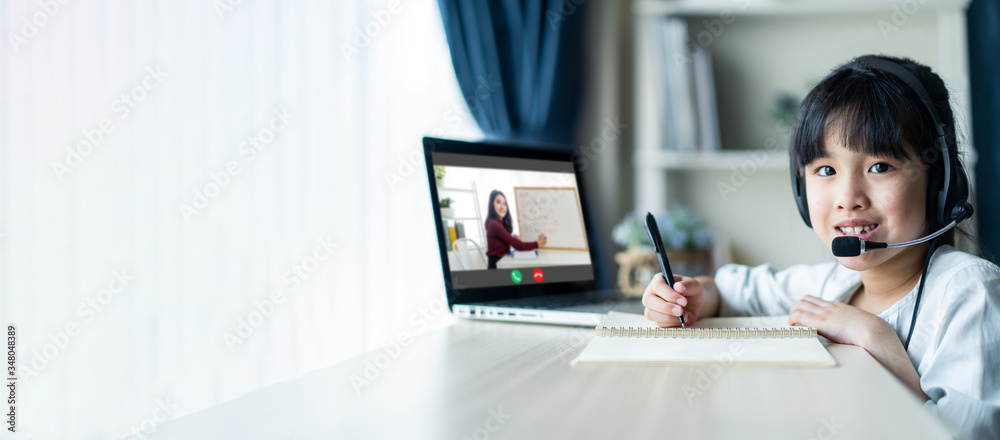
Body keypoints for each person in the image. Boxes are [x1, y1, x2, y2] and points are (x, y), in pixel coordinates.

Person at [642, 55, 999, 439]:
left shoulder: (970, 294)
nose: (848, 198)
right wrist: (691, 296)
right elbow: (734, 291)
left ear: (940, 185)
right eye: (825, 170)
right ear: (801, 190)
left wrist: (875, 340)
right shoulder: (834, 284)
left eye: (880, 166)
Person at [484, 190, 547, 269]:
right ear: (491, 204)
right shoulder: (494, 224)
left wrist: (513, 238)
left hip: (501, 261)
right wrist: (539, 243)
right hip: (496, 264)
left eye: (504, 204)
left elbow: (502, 241)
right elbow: (519, 246)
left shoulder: (499, 222)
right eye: (498, 202)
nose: (502, 207)